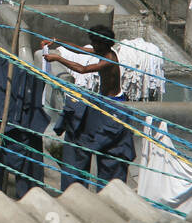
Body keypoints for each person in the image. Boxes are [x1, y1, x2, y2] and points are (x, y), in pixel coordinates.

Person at [41, 31, 136, 189]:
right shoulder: (102, 51)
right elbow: (79, 49)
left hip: (114, 103)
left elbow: (82, 69)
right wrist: (57, 41)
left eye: (96, 44)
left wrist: (58, 58)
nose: (94, 47)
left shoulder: (109, 59)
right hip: (103, 99)